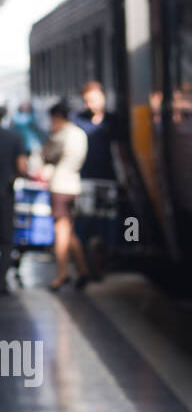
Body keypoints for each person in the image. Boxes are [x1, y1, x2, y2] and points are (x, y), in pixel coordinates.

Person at [73, 81, 125, 280]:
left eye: (94, 99)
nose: (91, 104)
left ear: (103, 97)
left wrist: (125, 178)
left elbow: (121, 151)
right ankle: (85, 259)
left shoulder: (113, 120)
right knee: (85, 220)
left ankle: (107, 257)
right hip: (85, 179)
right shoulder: (78, 119)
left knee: (108, 220)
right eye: (87, 101)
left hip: (109, 178)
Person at [40, 101, 89, 290]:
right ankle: (83, 271)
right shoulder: (80, 133)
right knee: (69, 231)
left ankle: (62, 274)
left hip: (60, 184)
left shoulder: (61, 134)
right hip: (74, 185)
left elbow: (47, 155)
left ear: (57, 118)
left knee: (60, 230)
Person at [0, 107, 28, 294]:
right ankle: (1, 280)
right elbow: (22, 167)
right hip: (5, 193)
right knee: (6, 239)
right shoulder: (14, 136)